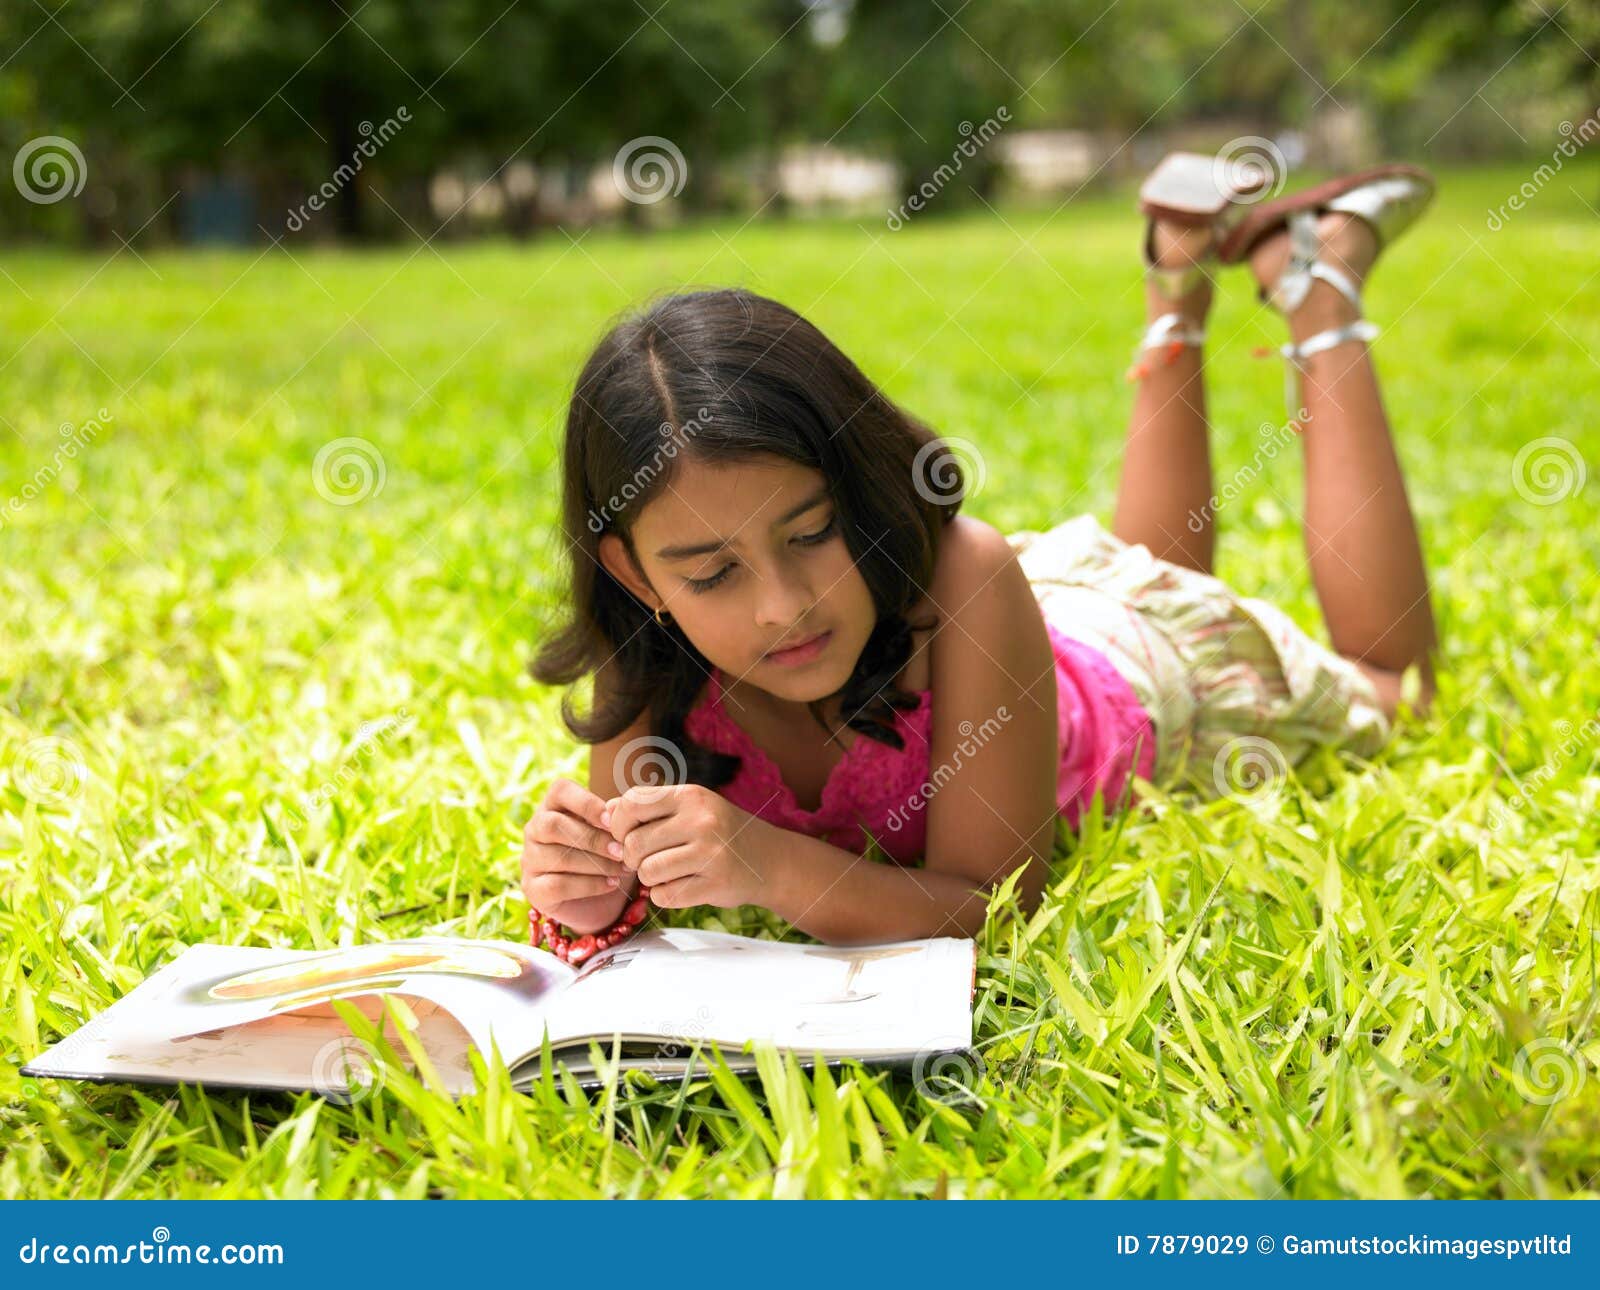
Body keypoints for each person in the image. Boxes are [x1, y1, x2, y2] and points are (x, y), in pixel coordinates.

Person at [520, 151, 1439, 953]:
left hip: (1140, 676)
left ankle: (1322, 288)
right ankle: (1177, 281)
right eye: (713, 573)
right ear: (636, 574)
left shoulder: (968, 573)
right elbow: (620, 908)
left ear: (865, 484)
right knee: (1156, 562)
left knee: (1393, 686)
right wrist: (589, 889)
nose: (782, 604)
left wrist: (771, 869)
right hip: (1040, 627)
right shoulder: (645, 649)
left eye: (812, 533)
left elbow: (993, 907)